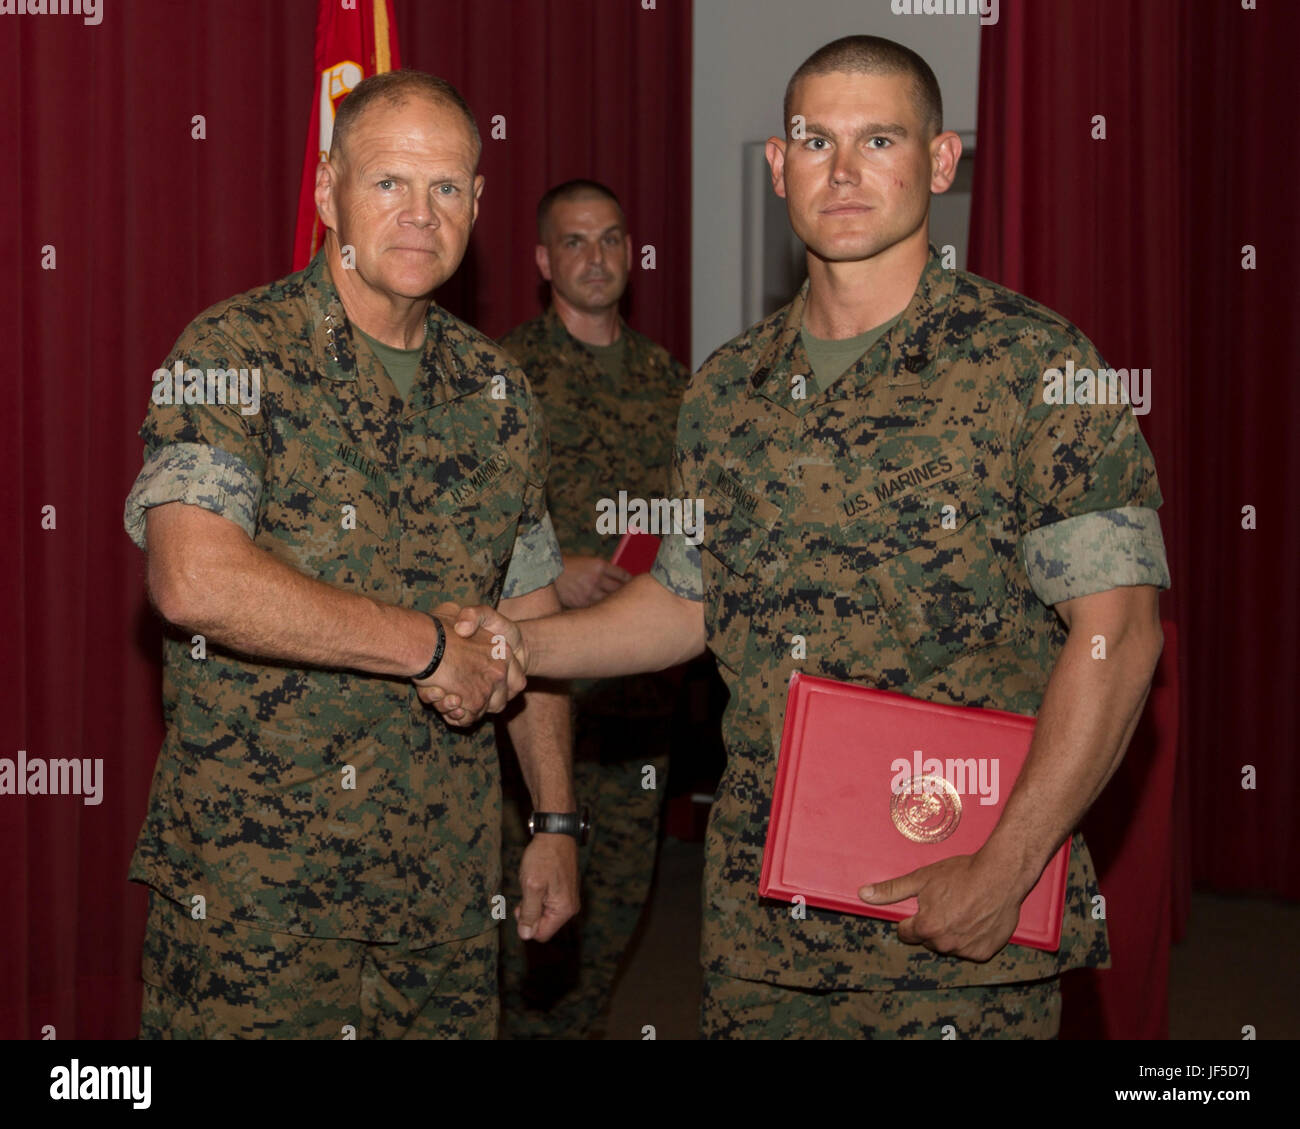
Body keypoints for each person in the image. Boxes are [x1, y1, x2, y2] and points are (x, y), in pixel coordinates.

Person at [439, 36, 1170, 1039]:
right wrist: (517, 645)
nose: (843, 169)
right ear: (778, 167)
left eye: (879, 138)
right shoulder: (727, 389)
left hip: (957, 925)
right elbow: (686, 602)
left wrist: (1009, 866)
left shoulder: (1039, 370)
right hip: (764, 930)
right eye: (813, 141)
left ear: (941, 161)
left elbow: (1118, 636)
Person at [122, 70, 579, 1039]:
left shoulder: (500, 392)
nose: (420, 215)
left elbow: (531, 616)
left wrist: (555, 819)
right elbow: (191, 576)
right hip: (259, 902)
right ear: (329, 191)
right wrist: (422, 645)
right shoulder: (232, 353)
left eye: (446, 188)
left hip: (441, 901)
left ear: (478, 203)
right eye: (388, 184)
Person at [495, 180, 688, 1038]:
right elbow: (462, 535)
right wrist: (555, 571)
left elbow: (694, 514)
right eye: (574, 242)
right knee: (524, 926)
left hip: (639, 696)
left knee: (611, 910)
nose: (597, 257)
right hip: (535, 701)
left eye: (611, 239)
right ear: (543, 262)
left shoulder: (674, 381)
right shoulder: (500, 376)